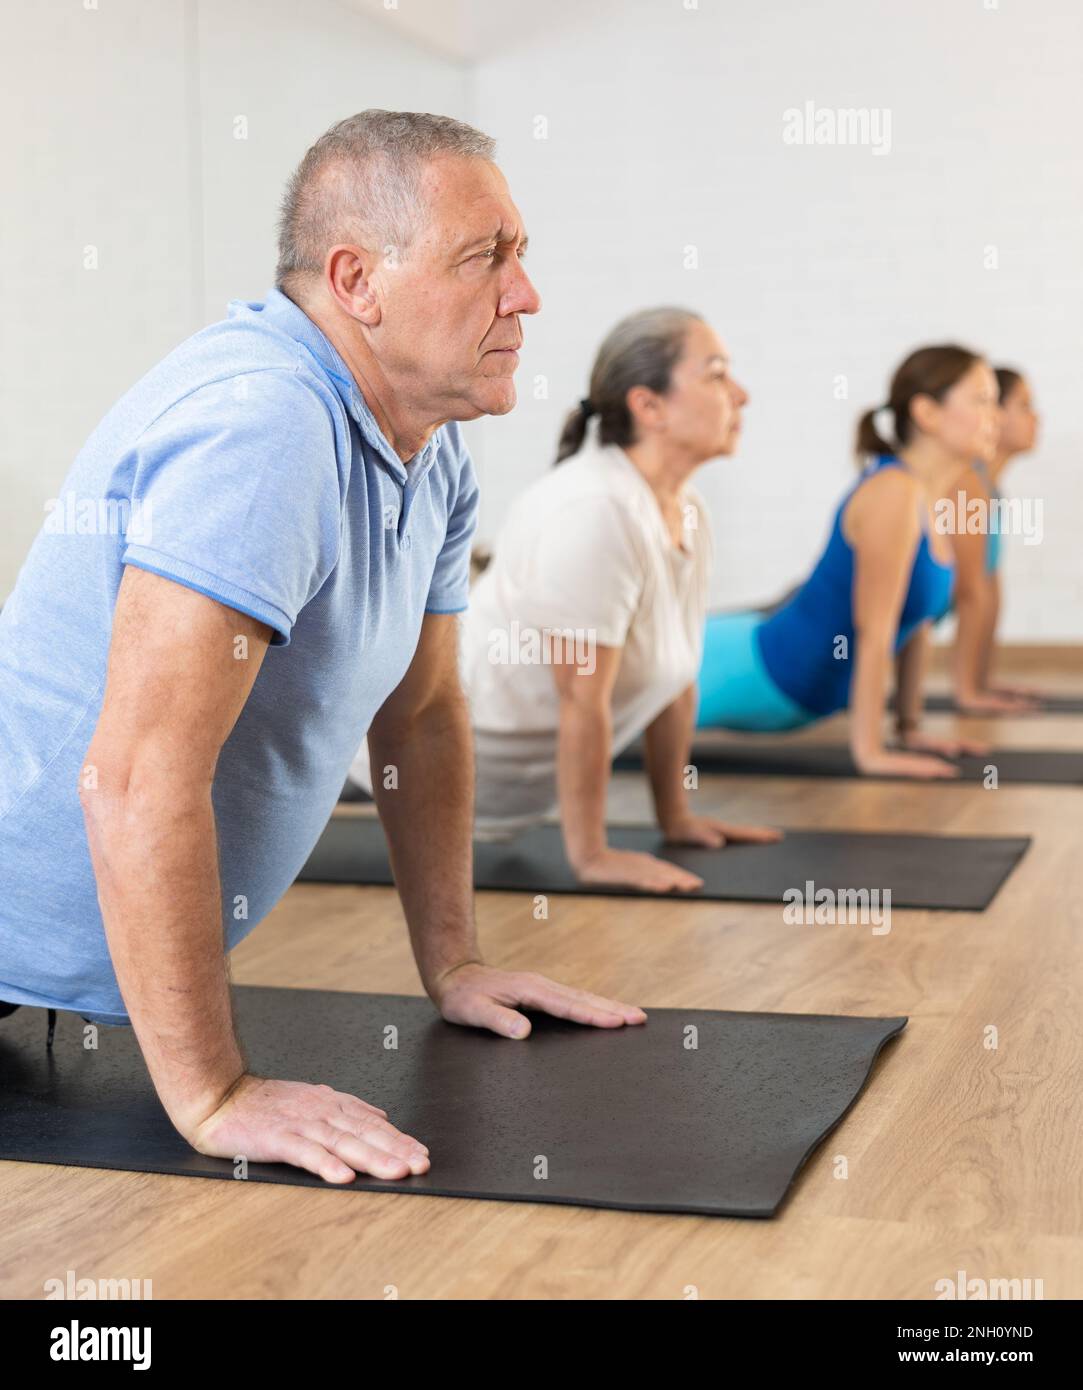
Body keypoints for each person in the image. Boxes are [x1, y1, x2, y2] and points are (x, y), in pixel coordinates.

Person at [0, 109, 645, 1188]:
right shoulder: (267, 423)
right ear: (357, 281)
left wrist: (455, 961)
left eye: (521, 256)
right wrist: (213, 1093)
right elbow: (134, 775)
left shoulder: (427, 452)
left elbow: (424, 715)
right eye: (487, 258)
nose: (525, 295)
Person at [450, 307, 781, 893]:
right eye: (717, 374)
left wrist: (675, 818)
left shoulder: (685, 508)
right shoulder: (595, 509)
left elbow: (676, 679)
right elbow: (582, 698)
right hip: (441, 760)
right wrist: (593, 856)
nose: (743, 395)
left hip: (511, 781)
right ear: (648, 406)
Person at [696, 345, 997, 778]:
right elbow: (873, 630)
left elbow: (917, 621)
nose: (995, 417)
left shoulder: (929, 497)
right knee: (586, 709)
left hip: (777, 674)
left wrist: (908, 728)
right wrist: (871, 753)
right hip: (741, 668)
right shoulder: (893, 493)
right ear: (927, 413)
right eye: (981, 400)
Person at [944, 366, 1041, 711]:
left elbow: (989, 590)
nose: (1037, 418)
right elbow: (969, 593)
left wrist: (982, 683)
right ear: (995, 415)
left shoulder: (990, 488)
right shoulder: (967, 484)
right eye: (1025, 405)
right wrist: (967, 694)